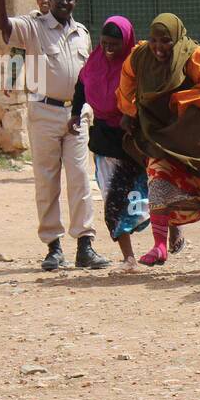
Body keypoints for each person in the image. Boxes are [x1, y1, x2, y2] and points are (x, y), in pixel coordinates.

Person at [0, 0, 108, 271]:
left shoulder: (82, 33)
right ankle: (53, 247)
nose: (64, 4)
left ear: (75, 1)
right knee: (47, 182)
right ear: (49, 0)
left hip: (77, 115)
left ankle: (85, 245)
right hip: (44, 112)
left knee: (81, 180)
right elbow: (4, 28)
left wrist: (87, 109)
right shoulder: (34, 27)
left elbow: (87, 77)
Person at [116, 13, 200, 269]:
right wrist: (131, 110)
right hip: (162, 131)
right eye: (154, 40)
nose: (159, 48)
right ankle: (159, 246)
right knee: (158, 179)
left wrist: (181, 101)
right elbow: (126, 80)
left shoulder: (193, 55)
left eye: (166, 41)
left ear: (177, 38)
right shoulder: (140, 56)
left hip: (199, 131)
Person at [70, 16, 151, 270]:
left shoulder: (137, 65)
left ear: (125, 42)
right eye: (105, 42)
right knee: (112, 199)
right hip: (105, 141)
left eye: (115, 43)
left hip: (134, 141)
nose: (108, 48)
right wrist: (74, 114)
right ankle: (128, 256)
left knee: (147, 196)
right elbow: (81, 87)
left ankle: (169, 233)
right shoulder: (94, 63)